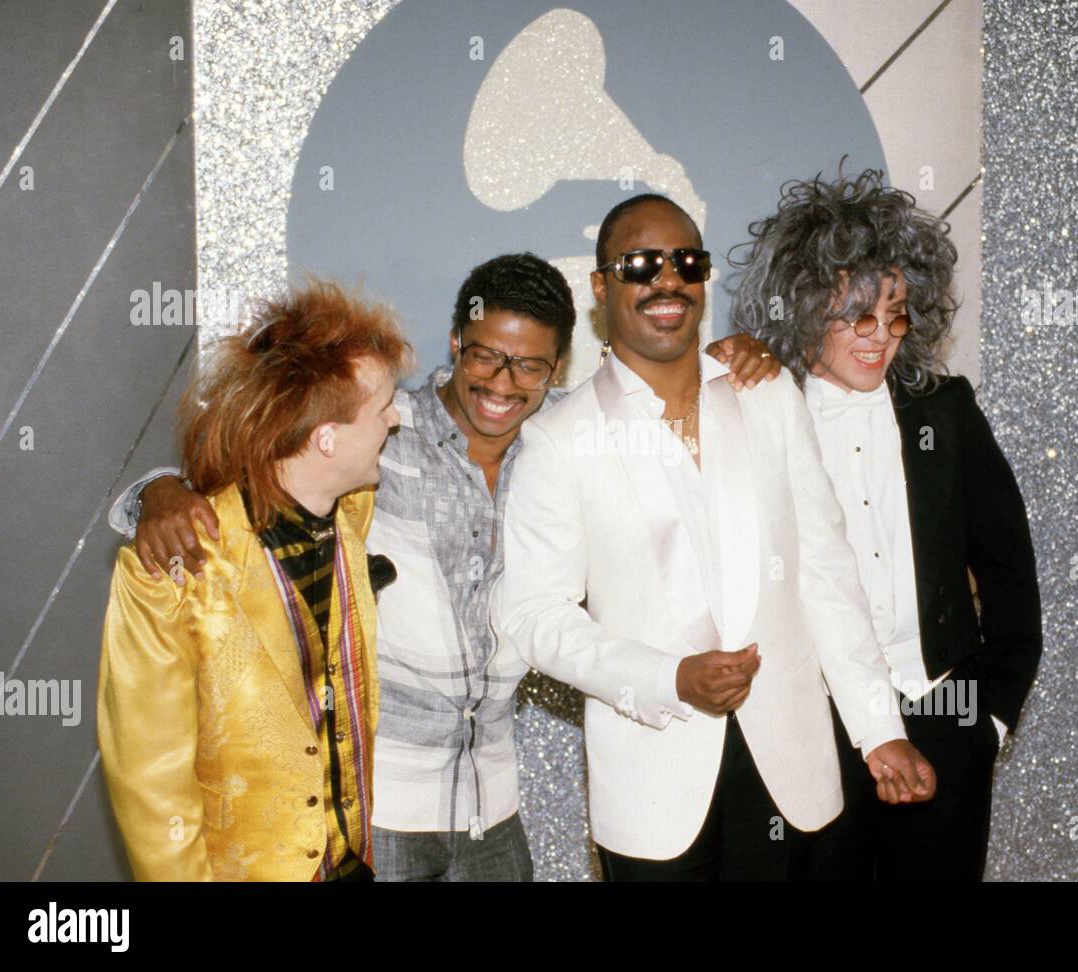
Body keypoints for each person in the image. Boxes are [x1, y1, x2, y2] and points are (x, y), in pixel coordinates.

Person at [109, 253, 779, 881]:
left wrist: (729, 358)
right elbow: (260, 472)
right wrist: (156, 493)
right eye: (487, 357)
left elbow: (671, 432)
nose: (502, 385)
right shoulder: (382, 441)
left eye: (531, 368)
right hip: (384, 809)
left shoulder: (570, 453)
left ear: (558, 368)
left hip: (495, 802)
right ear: (456, 343)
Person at [492, 194, 937, 882]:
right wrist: (668, 678)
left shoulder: (766, 394)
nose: (666, 281)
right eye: (641, 265)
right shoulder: (559, 440)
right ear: (602, 288)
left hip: (794, 781)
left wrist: (879, 729)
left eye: (686, 262)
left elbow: (825, 573)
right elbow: (533, 617)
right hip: (653, 795)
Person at [730, 167, 1043, 880]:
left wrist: (988, 719)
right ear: (805, 310)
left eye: (896, 314)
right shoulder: (759, 411)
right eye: (857, 316)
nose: (880, 337)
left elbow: (1008, 571)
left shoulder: (947, 411)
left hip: (947, 715)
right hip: (816, 727)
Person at [97, 280, 411, 880]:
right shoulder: (172, 568)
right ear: (326, 437)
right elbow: (150, 782)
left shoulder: (350, 511)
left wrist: (160, 485)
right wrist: (156, 494)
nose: (397, 420)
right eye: (384, 409)